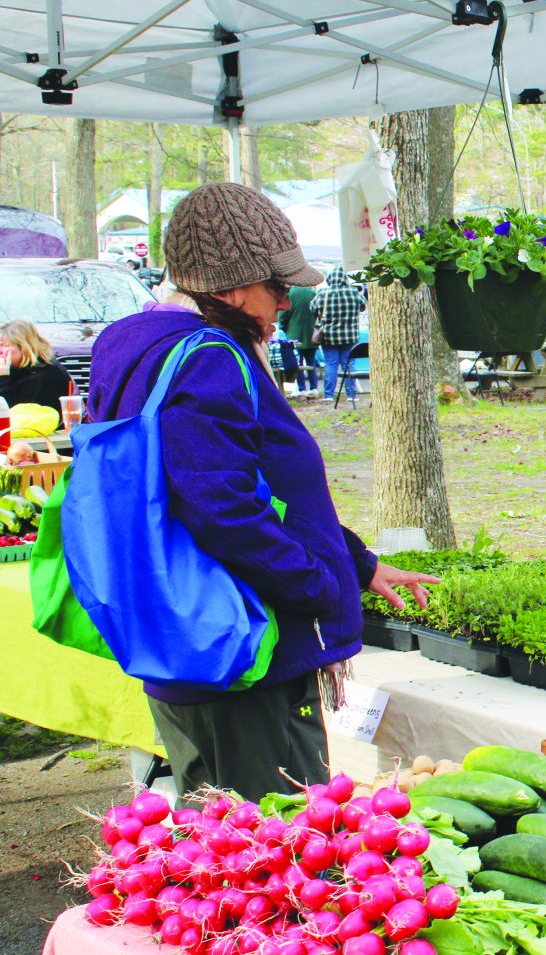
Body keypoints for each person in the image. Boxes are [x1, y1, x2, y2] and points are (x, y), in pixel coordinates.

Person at [84, 182, 438, 800]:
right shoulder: (209, 359)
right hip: (247, 654)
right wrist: (315, 585)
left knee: (219, 836)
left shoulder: (135, 342)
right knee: (281, 841)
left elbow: (262, 486)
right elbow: (223, 509)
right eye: (277, 287)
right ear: (230, 286)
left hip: (185, 637)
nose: (285, 301)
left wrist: (355, 561)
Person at [311, 265, 366, 402]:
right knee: (349, 365)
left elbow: (312, 308)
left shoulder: (323, 294)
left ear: (330, 279)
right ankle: (352, 395)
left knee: (331, 364)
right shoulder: (354, 293)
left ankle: (329, 395)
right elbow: (363, 306)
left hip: (329, 337)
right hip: (350, 336)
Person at [0, 320, 75, 416]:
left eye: (4, 345)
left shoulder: (45, 375)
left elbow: (13, 416)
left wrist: (2, 379)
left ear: (25, 347)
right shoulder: (12, 369)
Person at [278, 281, 320, 397]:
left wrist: (282, 327)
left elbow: (282, 316)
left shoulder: (290, 294)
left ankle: (301, 388)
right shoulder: (312, 293)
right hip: (311, 334)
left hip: (294, 334)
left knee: (298, 362)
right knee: (311, 362)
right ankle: (314, 387)